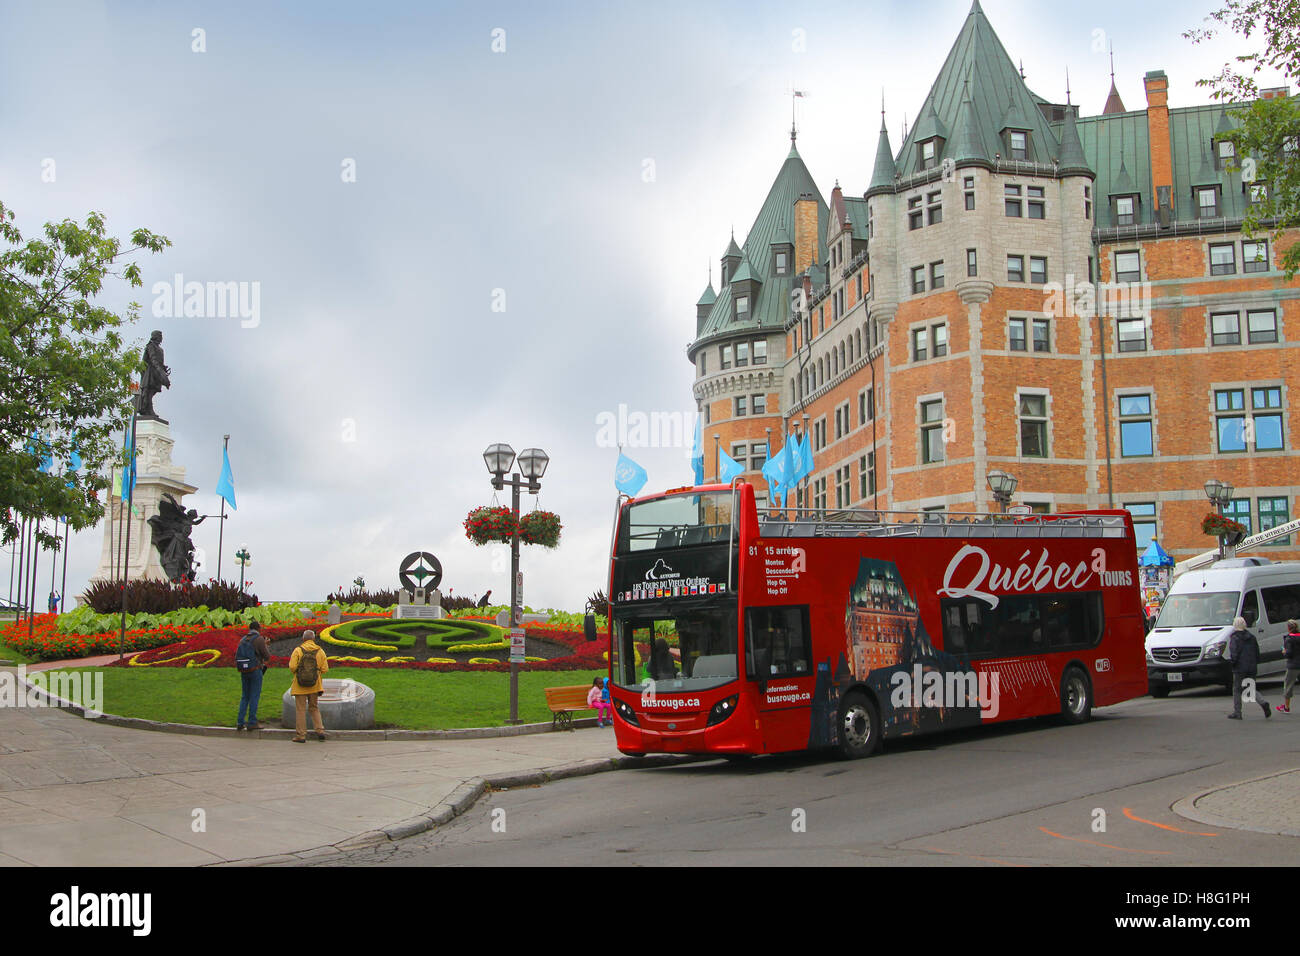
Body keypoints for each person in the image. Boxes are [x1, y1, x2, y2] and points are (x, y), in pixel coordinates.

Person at [1227, 616, 1272, 720]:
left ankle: (1237, 712)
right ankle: (1263, 703)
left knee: (1237, 689)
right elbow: (1257, 652)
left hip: (1240, 667)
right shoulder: (1251, 637)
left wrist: (1233, 664)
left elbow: (1234, 654)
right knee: (1250, 688)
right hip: (1251, 666)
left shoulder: (1234, 638)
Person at [289, 629, 329, 742]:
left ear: (303, 639)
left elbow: (292, 667)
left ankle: (301, 735)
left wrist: (300, 672)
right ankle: (320, 730)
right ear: (313, 639)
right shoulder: (320, 651)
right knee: (314, 708)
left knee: (300, 710)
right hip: (315, 685)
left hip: (299, 685)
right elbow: (325, 669)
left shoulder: (298, 650)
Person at [235, 619, 271, 731]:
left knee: (245, 696)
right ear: (258, 629)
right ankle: (252, 722)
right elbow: (267, 656)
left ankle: (240, 722)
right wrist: (266, 645)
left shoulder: (243, 639)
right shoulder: (259, 639)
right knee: (254, 695)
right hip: (255, 670)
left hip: (244, 671)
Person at [1278, 619, 1300, 714]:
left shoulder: (1289, 639)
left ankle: (1286, 707)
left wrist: (1284, 652)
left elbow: (1289, 653)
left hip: (1293, 665)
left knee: (1288, 685)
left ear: (1288, 628)